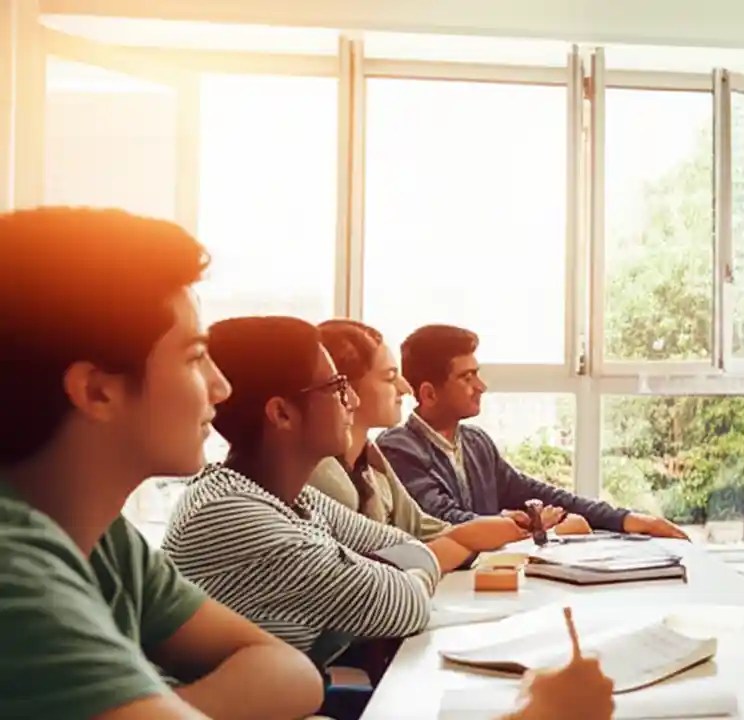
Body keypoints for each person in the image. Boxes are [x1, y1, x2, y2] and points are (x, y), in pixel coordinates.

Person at [0, 208, 324, 719]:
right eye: (195, 357)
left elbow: (293, 672)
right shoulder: (13, 567)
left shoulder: (104, 539)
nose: (222, 387)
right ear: (97, 391)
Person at [162, 316, 471, 660]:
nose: (351, 400)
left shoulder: (279, 494)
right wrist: (385, 574)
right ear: (282, 414)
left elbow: (411, 549)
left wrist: (371, 572)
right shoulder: (233, 515)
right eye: (336, 387)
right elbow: (406, 605)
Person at [377, 324, 687, 539]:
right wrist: (534, 525)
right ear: (429, 394)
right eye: (467, 377)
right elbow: (445, 522)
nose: (481, 387)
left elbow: (538, 493)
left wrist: (626, 519)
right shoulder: (398, 449)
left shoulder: (476, 443)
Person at [310, 319, 528, 551]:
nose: (405, 388)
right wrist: (481, 535)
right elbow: (383, 555)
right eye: (389, 377)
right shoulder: (387, 451)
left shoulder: (371, 457)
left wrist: (500, 528)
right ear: (345, 388)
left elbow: (421, 526)